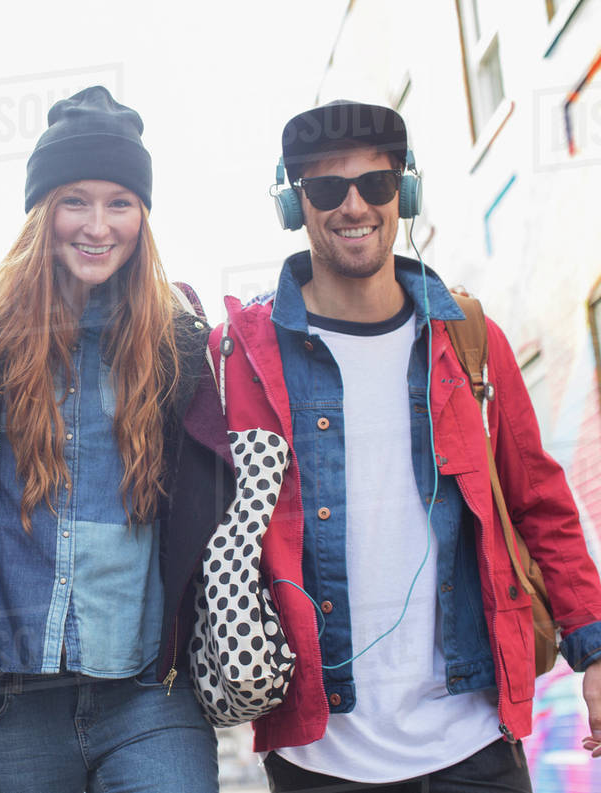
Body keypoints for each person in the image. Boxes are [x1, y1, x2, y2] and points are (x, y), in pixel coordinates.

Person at [213, 100, 601, 790]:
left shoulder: (471, 342)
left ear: (406, 193)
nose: (354, 204)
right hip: (321, 755)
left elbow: (539, 503)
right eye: (327, 188)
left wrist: (593, 648)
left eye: (377, 184)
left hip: (475, 739)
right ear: (293, 203)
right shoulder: (244, 356)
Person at [0, 85, 235, 793]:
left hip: (149, 691)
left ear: (143, 216)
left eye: (120, 202)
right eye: (74, 200)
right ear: (40, 209)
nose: (97, 224)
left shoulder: (178, 334)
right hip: (10, 701)